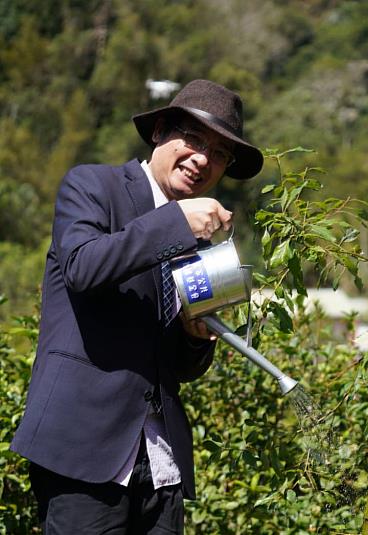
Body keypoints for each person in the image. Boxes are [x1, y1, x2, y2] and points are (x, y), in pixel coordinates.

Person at [11, 79, 264, 533]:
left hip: (160, 460)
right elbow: (82, 268)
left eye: (221, 153)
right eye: (194, 139)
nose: (204, 159)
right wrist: (175, 222)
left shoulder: (197, 237)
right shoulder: (93, 185)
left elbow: (180, 366)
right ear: (159, 132)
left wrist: (193, 337)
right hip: (83, 453)